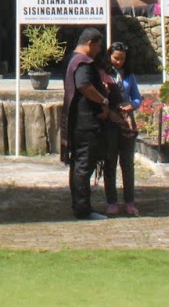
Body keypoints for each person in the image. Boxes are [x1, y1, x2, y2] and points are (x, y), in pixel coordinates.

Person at [62, 27, 108, 220]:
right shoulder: (82, 62)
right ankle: (83, 209)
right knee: (83, 165)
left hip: (77, 122)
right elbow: (84, 85)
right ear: (90, 44)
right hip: (85, 123)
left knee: (78, 165)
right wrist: (102, 100)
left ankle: (80, 206)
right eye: (98, 47)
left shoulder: (72, 59)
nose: (98, 51)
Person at [100, 40, 140, 216]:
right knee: (110, 162)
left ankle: (129, 202)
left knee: (127, 164)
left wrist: (132, 105)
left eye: (122, 59)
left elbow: (137, 98)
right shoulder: (103, 74)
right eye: (116, 58)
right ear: (109, 57)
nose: (119, 62)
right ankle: (111, 201)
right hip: (110, 122)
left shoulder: (129, 76)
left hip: (127, 122)